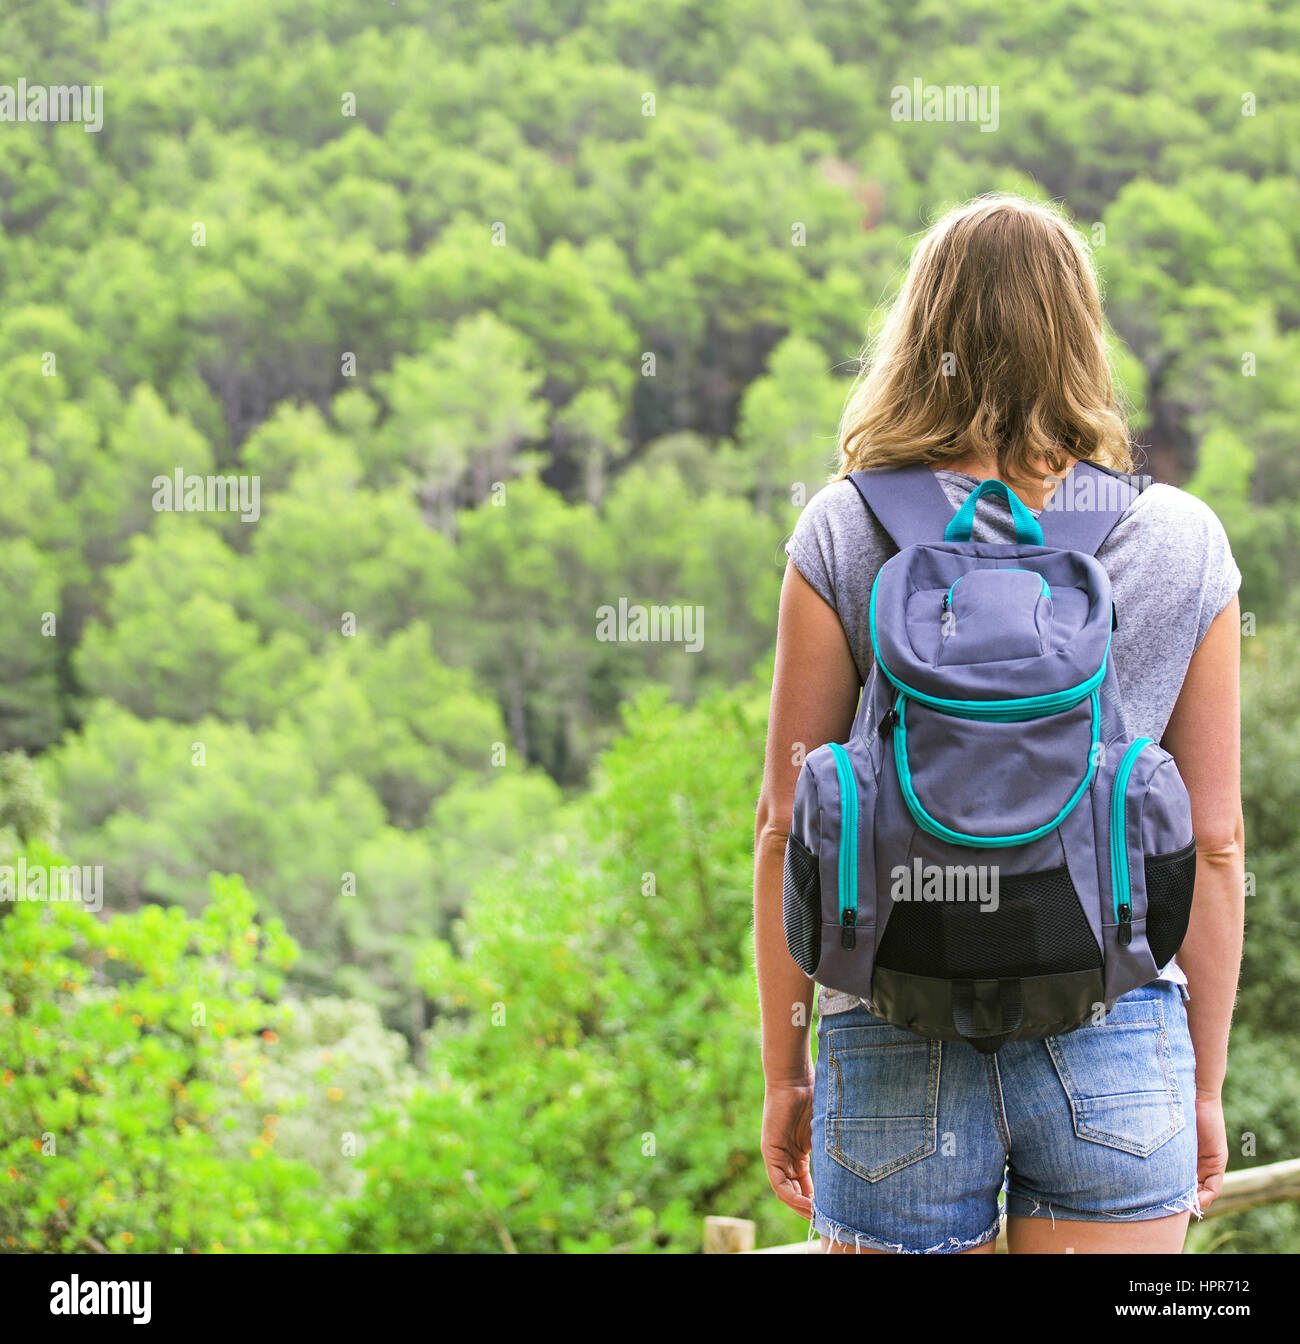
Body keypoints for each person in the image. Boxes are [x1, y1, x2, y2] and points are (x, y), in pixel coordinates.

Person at [754, 194, 1245, 1254]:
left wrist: (785, 1070)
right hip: (1113, 1026)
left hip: (890, 1027)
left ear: (916, 334)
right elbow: (1213, 843)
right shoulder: (1181, 541)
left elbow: (782, 822)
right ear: (1082, 336)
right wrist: (1200, 1081)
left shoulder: (845, 525)